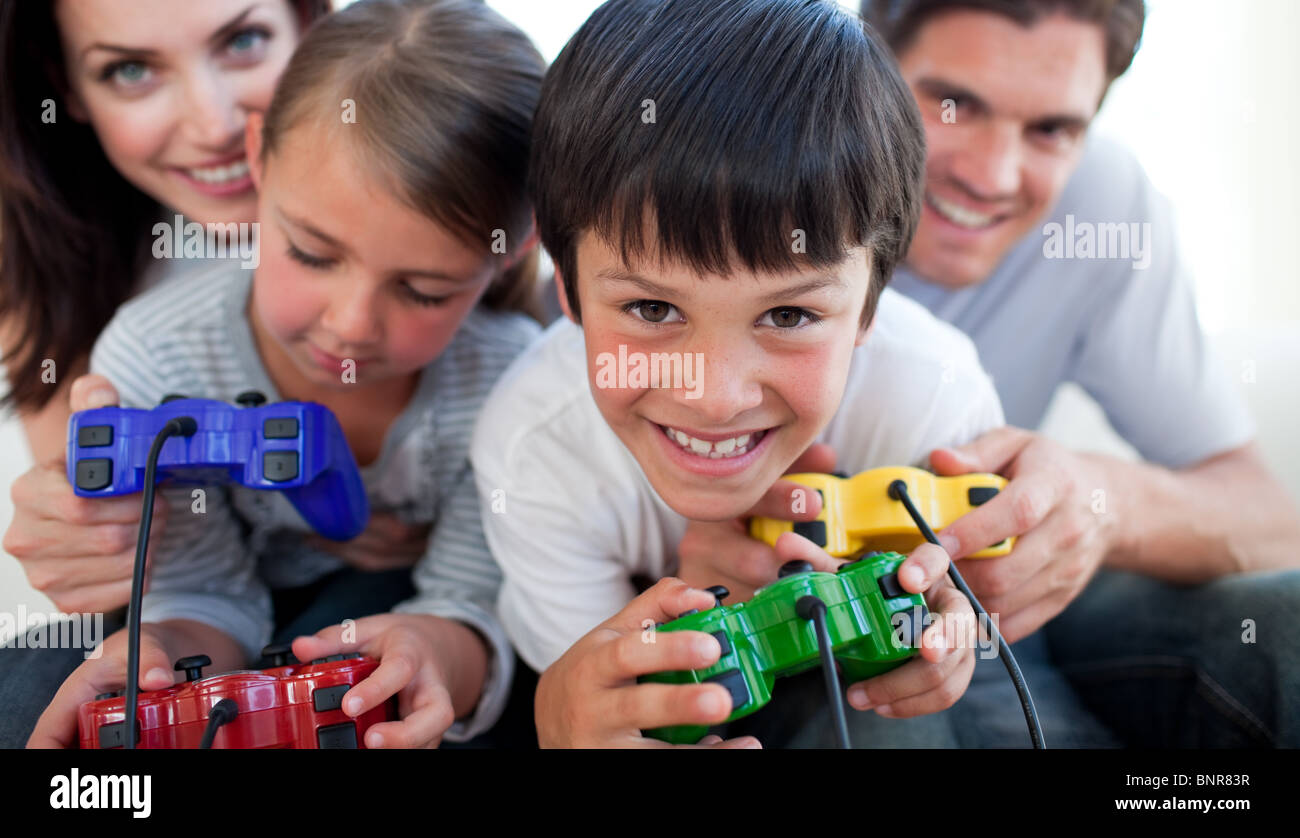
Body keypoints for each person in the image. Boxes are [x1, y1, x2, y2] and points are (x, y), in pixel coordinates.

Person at [682, 0, 1300, 746]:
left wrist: (1101, 506)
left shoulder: (1104, 205)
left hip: (1021, 614)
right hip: (801, 630)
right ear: (865, 67)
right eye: (955, 104)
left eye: (1051, 130)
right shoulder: (725, 174)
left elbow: (1272, 519)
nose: (992, 174)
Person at [470, 0, 1021, 748]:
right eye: (652, 308)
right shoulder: (534, 451)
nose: (716, 396)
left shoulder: (932, 395)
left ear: (869, 310)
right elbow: (614, 703)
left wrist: (956, 638)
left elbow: (982, 612)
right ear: (565, 288)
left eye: (789, 317)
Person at [22, 0, 545, 749]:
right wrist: (160, 662)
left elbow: (469, 604)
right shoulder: (155, 355)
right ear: (259, 155)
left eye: (424, 291)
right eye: (311, 253)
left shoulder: (511, 381)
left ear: (514, 248)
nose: (352, 324)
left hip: (395, 614)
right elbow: (201, 595)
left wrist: (434, 654)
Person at [0, 0, 434, 620]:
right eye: (130, 70)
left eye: (243, 41)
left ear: (310, 24)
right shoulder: (45, 270)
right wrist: (79, 533)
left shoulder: (441, 181)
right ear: (63, 85)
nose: (214, 125)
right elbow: (104, 514)